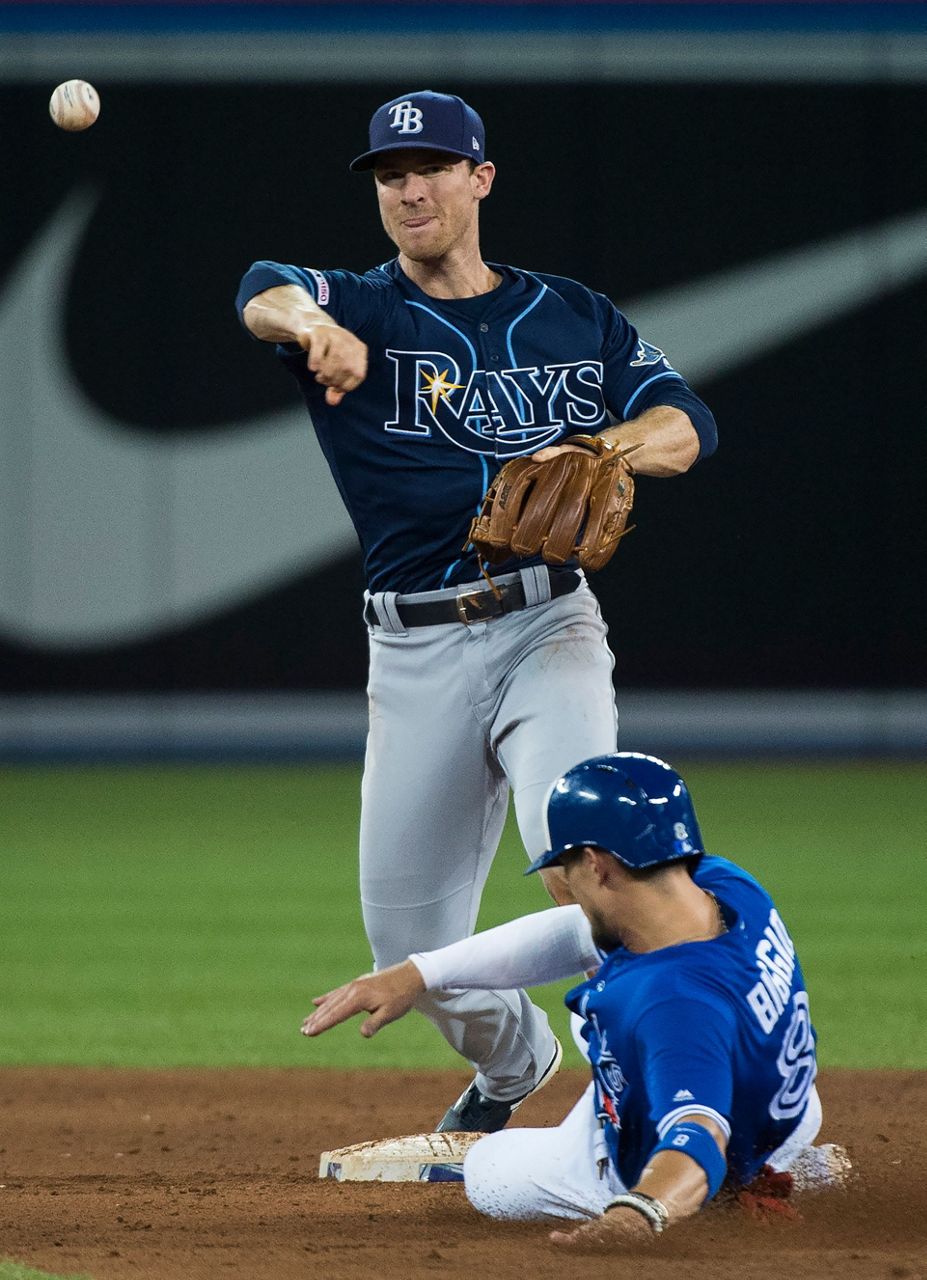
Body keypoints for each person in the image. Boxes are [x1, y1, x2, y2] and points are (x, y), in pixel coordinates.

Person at [236, 90, 718, 1132]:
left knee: (589, 863)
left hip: (549, 626)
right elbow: (261, 289)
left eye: (431, 167)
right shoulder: (359, 307)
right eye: (388, 174)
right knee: (409, 951)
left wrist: (601, 449)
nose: (409, 188)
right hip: (412, 651)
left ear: (479, 179)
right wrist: (316, 327)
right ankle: (515, 1068)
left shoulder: (571, 313)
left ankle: (668, 1101)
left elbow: (687, 422)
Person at [302, 752, 838, 1247]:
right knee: (611, 988)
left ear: (598, 863)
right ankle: (789, 1159)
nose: (567, 883)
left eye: (569, 867)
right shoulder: (725, 886)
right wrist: (422, 973)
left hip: (678, 1149)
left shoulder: (666, 1004)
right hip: (785, 1108)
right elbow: (574, 933)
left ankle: (726, 1191)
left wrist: (637, 1215)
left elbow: (697, 1134)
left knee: (489, 1170)